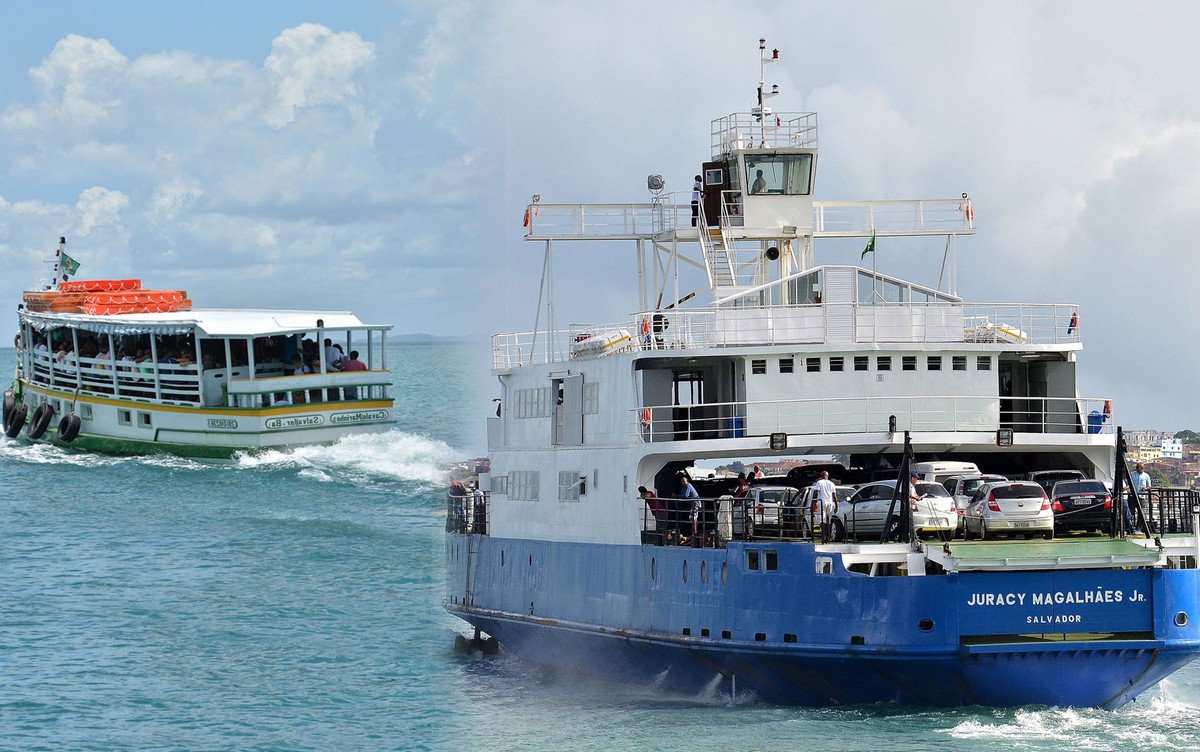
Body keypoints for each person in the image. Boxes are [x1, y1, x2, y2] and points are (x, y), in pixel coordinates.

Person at [813, 471, 838, 542]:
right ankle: (828, 536)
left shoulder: (819, 482)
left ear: (821, 476)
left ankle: (824, 536)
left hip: (822, 502)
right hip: (830, 502)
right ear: (828, 476)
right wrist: (836, 505)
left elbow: (816, 493)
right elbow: (834, 495)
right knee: (828, 520)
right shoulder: (831, 483)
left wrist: (814, 503)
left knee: (822, 520)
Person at [1127, 463, 1151, 534]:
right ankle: (1130, 528)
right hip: (1132, 496)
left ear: (1142, 468)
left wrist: (1145, 488)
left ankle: (1138, 528)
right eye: (1136, 467)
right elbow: (1128, 483)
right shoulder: (1132, 474)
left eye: (1138, 467)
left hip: (1141, 496)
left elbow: (1149, 487)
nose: (1137, 469)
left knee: (1141, 513)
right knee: (1130, 513)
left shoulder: (1146, 476)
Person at [678, 474, 700, 546]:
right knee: (692, 518)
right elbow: (682, 494)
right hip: (692, 504)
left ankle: (695, 533)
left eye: (683, 481)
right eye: (682, 482)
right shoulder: (684, 487)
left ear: (686, 481)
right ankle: (693, 533)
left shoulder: (688, 486)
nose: (682, 483)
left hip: (695, 504)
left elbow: (685, 495)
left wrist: (677, 496)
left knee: (693, 518)